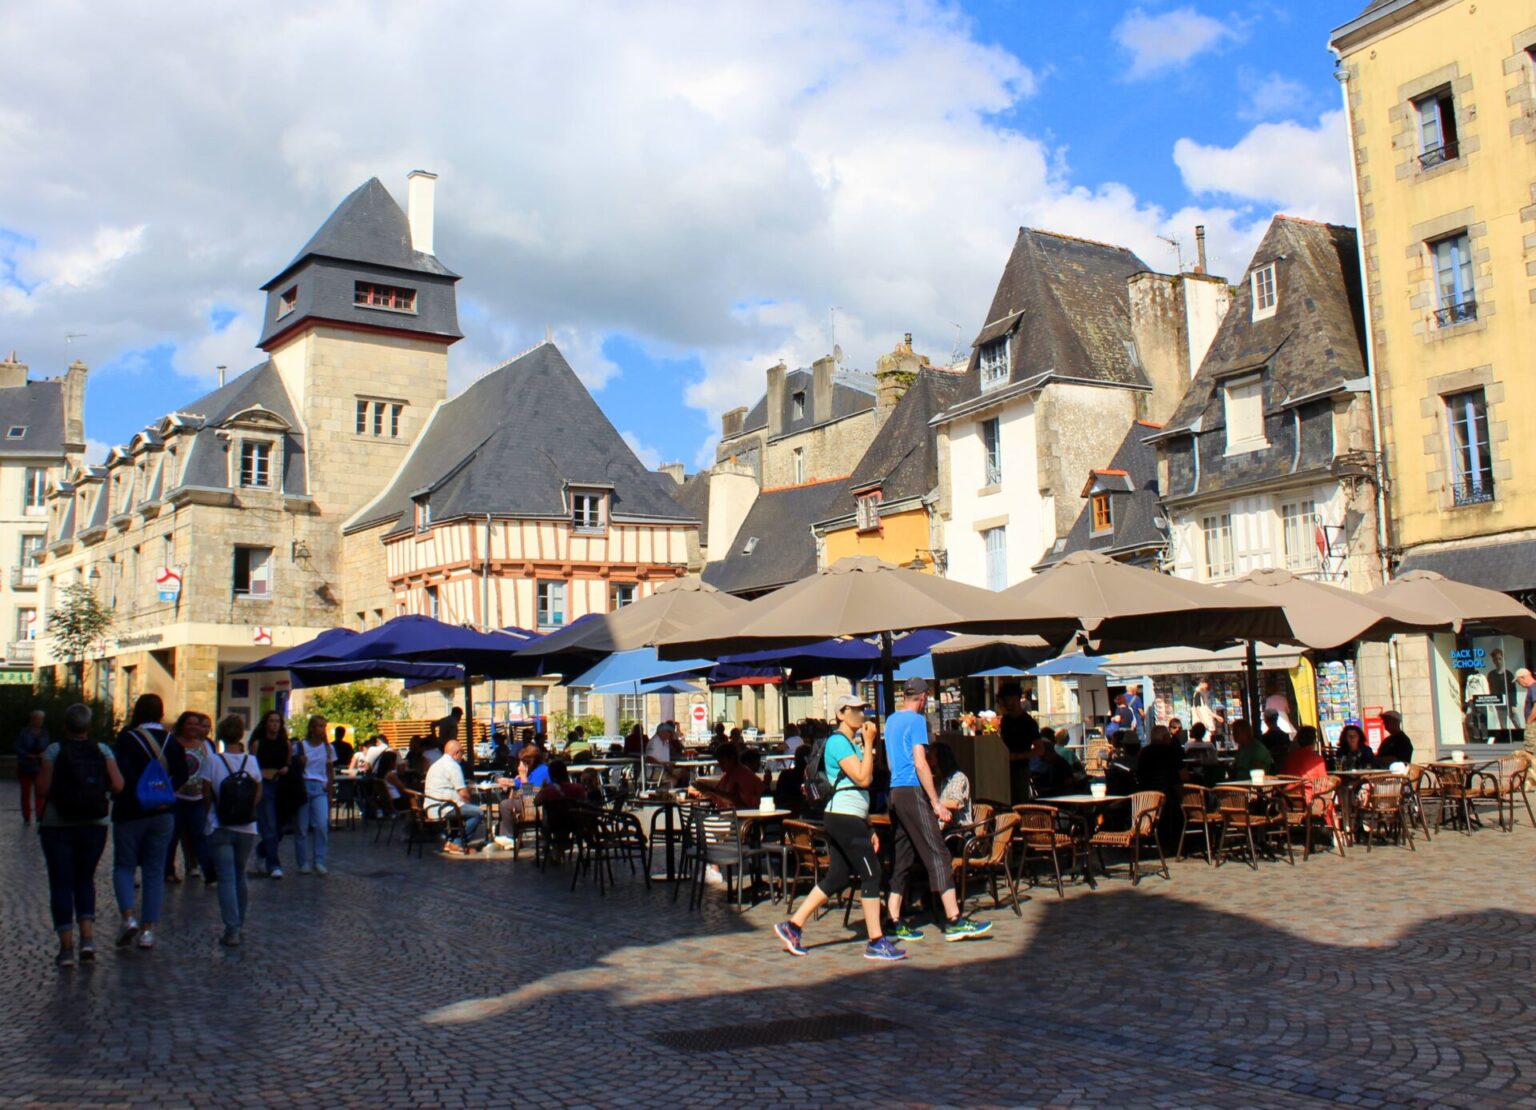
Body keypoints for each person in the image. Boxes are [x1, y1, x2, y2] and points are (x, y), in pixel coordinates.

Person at [772, 693, 904, 962]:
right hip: (843, 816)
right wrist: (869, 743)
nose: (861, 714)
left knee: (838, 877)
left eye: (863, 709)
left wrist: (869, 827)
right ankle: (876, 941)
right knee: (871, 873)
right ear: (840, 714)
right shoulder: (838, 743)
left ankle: (793, 926)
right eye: (854, 710)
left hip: (851, 816)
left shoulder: (852, 744)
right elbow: (864, 778)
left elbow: (860, 789)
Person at [884, 678, 991, 943]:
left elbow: (888, 761)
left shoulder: (891, 720)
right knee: (939, 854)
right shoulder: (917, 721)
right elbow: (921, 763)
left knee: (903, 857)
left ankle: (893, 920)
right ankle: (954, 920)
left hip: (895, 792)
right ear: (922, 697)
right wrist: (935, 803)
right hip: (911, 790)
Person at [37, 704, 123, 967]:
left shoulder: (54, 750)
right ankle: (88, 939)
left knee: (61, 883)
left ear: (65, 726)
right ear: (89, 726)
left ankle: (66, 948)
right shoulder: (103, 750)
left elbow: (42, 788)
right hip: (94, 823)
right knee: (85, 880)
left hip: (57, 824)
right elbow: (119, 784)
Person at [112, 693, 186, 950]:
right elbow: (183, 772)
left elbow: (120, 773)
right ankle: (147, 931)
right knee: (154, 870)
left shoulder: (126, 738)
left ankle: (128, 917)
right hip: (162, 811)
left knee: (124, 865)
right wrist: (165, 791)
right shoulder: (170, 741)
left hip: (130, 810)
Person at [203, 714, 261, 947]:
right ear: (241, 735)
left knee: (226, 878)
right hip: (247, 826)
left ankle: (232, 928)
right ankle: (240, 922)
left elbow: (205, 795)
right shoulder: (252, 762)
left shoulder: (213, 762)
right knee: (240, 876)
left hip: (220, 824)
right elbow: (258, 794)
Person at [166, 711, 214, 886]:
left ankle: (209, 872)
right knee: (172, 836)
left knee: (200, 835)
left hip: (197, 798)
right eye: (190, 723)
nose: (194, 727)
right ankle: (168, 871)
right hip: (176, 797)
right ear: (182, 725)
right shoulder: (172, 744)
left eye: (196, 724)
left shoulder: (204, 745)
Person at [249, 711, 292, 878]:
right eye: (271, 721)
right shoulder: (258, 743)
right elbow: (252, 766)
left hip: (281, 786)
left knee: (280, 828)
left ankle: (261, 851)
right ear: (265, 724)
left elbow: (288, 763)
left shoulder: (285, 744)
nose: (274, 724)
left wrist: (286, 769)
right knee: (269, 825)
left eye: (277, 721)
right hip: (264, 785)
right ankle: (273, 864)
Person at [292, 714, 335, 876]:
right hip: (303, 785)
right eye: (319, 726)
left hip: (319, 787)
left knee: (322, 825)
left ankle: (319, 860)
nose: (322, 729)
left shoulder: (328, 749)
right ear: (311, 728)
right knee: (302, 827)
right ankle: (303, 862)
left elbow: (330, 771)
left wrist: (330, 790)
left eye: (324, 726)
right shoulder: (301, 746)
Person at [424, 737, 483, 852]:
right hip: (444, 807)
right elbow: (463, 793)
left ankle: (450, 841)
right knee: (478, 812)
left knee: (465, 809)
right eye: (462, 753)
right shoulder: (453, 766)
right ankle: (458, 843)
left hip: (432, 806)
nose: (463, 757)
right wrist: (469, 800)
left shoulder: (438, 764)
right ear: (457, 753)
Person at [1134, 725, 1186, 852]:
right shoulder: (1171, 751)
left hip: (1146, 796)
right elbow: (1184, 776)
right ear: (1164, 737)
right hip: (1168, 796)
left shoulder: (1144, 752)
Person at [996, 681, 1040, 804]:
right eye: (1003, 699)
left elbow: (1039, 749)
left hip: (1020, 769)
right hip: (1004, 768)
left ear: (1016, 698)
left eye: (1007, 699)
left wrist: (1017, 756)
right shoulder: (1006, 720)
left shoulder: (1028, 722)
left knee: (1019, 804)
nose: (1005, 703)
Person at [689, 745, 762, 810]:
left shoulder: (744, 775)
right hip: (730, 815)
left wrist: (710, 790)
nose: (720, 766)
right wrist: (701, 792)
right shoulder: (728, 775)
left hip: (743, 817)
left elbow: (736, 800)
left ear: (732, 758)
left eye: (723, 762)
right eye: (719, 763)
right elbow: (717, 795)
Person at [16, 708, 48, 826]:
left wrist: (43, 754)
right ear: (32, 719)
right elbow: (18, 747)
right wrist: (27, 755)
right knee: (25, 792)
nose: (40, 721)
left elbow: (47, 746)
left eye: (41, 719)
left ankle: (40, 814)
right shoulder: (24, 733)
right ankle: (26, 816)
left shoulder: (44, 733)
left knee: (39, 792)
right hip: (25, 765)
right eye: (38, 719)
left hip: (38, 766)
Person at [930, 742, 972, 831]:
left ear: (940, 759)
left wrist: (932, 804)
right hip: (941, 829)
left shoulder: (958, 777)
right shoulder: (937, 780)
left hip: (959, 830)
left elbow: (955, 803)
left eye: (931, 757)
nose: (929, 761)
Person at [773, 747, 809, 814]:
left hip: (784, 812)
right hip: (804, 813)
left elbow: (778, 795)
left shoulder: (785, 774)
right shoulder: (811, 777)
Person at [1517, 668, 1536, 759]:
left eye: (1518, 681)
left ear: (1523, 678)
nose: (1518, 684)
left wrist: (1529, 721)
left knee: (1530, 751)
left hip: (1533, 725)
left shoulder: (1534, 687)